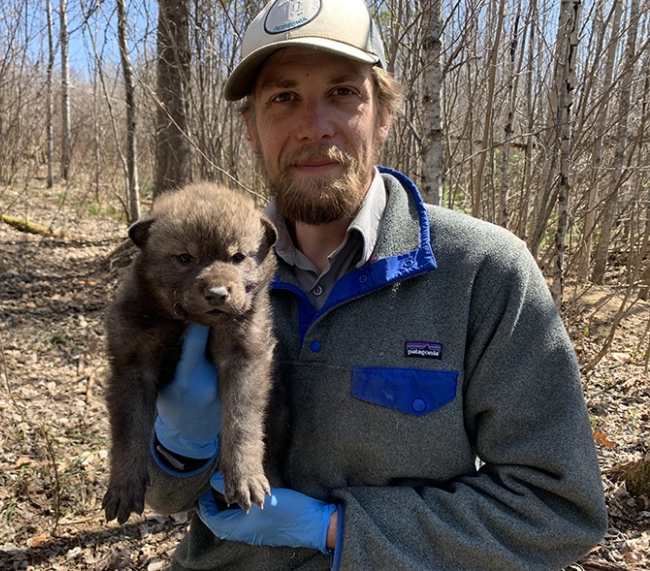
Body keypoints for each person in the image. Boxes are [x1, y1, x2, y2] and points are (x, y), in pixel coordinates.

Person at [142, 0, 608, 569]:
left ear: (383, 114)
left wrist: (339, 530)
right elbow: (158, 496)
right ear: (251, 126)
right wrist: (179, 447)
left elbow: (558, 510)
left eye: (342, 93)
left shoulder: (482, 273)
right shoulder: (190, 275)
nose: (314, 125)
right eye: (283, 98)